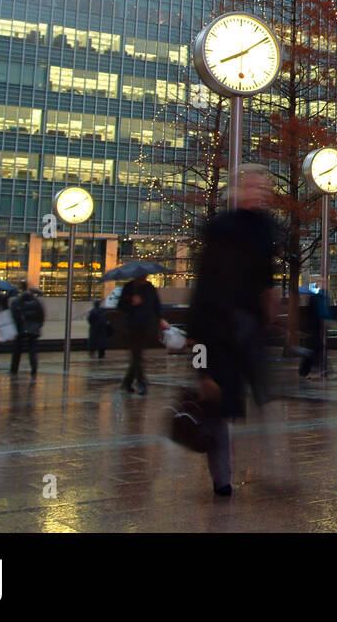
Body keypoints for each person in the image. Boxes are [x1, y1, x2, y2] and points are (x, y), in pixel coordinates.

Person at [188, 165, 281, 497]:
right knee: (215, 400)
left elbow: (267, 274)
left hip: (249, 323)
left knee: (263, 393)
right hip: (215, 324)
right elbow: (204, 282)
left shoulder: (267, 228)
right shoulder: (220, 228)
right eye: (253, 187)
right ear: (238, 190)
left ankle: (274, 466)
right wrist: (196, 337)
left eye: (264, 188)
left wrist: (271, 299)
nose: (259, 193)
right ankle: (222, 477)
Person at [119, 275, 167, 394]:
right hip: (131, 326)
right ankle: (141, 383)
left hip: (145, 325)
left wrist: (160, 318)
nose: (143, 277)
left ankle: (127, 382)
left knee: (137, 356)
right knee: (137, 355)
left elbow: (156, 304)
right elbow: (120, 306)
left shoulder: (150, 288)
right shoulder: (129, 287)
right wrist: (132, 302)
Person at [9, 284, 44, 376]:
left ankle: (14, 369)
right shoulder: (36, 302)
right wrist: (38, 326)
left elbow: (13, 314)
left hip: (21, 330)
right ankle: (34, 369)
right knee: (32, 351)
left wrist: (17, 326)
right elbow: (41, 316)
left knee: (17, 351)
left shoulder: (17, 301)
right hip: (33, 331)